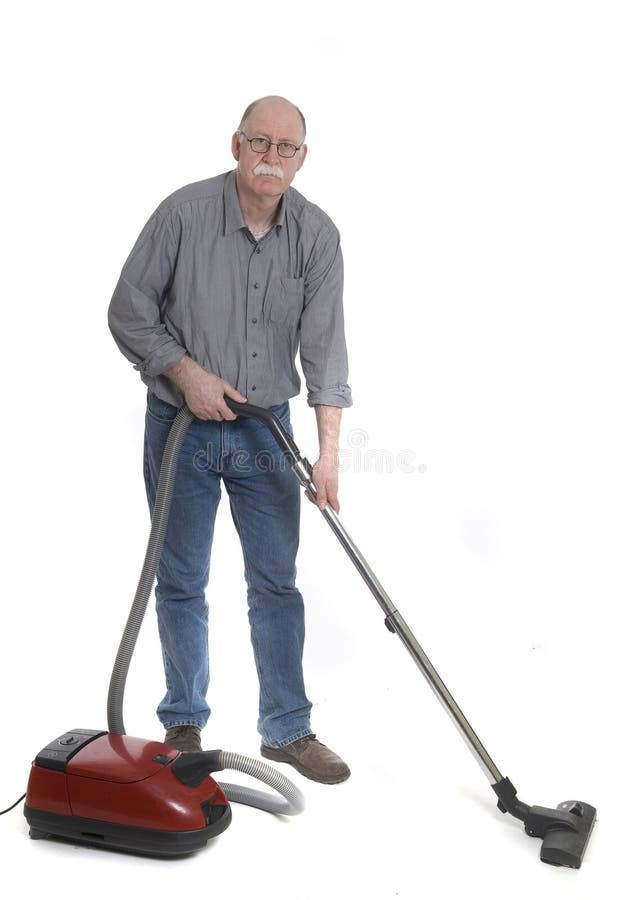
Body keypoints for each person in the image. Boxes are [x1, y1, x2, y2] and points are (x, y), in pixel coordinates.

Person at [108, 95, 352, 784]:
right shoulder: (183, 214)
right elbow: (128, 310)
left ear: (301, 158)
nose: (270, 158)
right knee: (179, 580)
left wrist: (327, 454)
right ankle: (182, 721)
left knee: (276, 583)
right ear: (236, 144)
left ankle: (288, 730)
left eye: (285, 148)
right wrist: (186, 374)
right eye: (259, 143)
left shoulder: (317, 237)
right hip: (180, 427)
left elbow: (326, 353)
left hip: (265, 431)